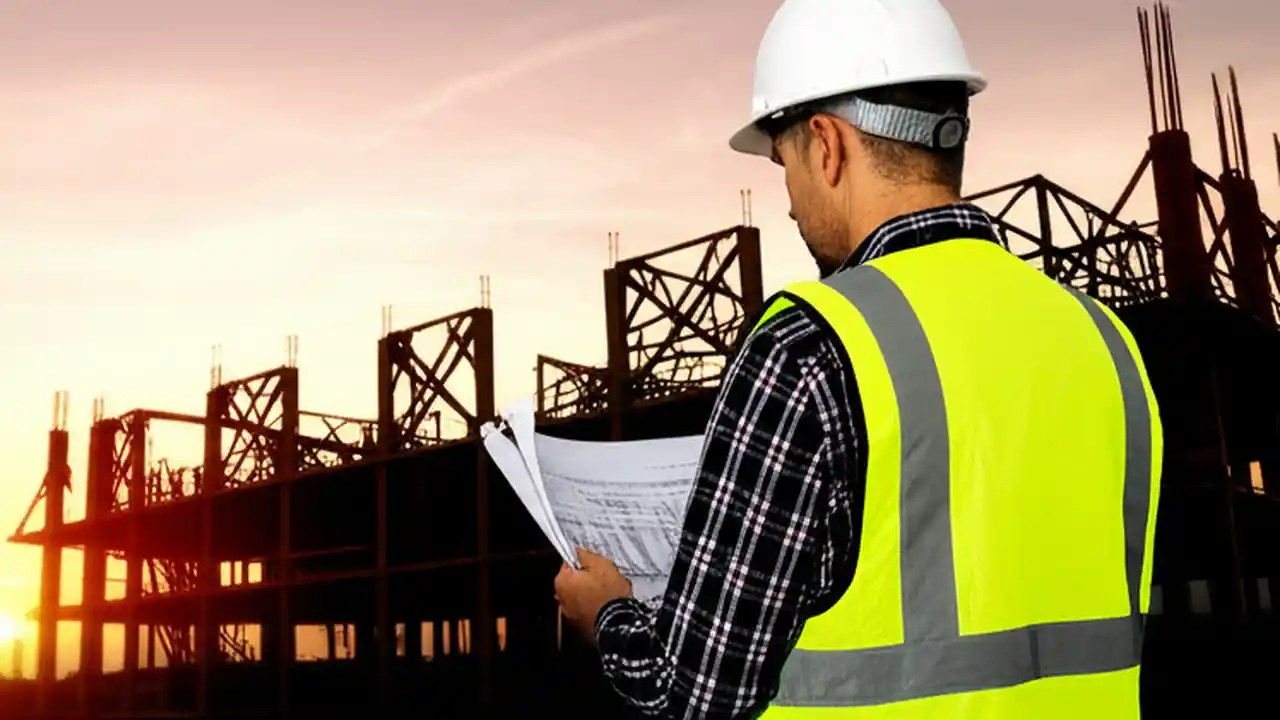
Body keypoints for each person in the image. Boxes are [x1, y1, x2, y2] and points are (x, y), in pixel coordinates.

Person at [553, 0, 1164, 717]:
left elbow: (694, 691)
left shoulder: (811, 346)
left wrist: (608, 616)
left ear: (826, 145)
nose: (789, 205)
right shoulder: (1104, 341)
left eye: (784, 167)